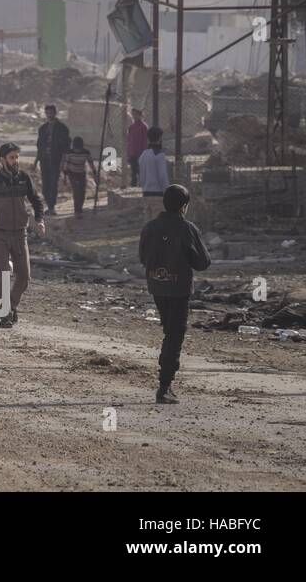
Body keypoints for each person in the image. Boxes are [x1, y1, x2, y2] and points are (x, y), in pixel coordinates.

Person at [139, 183, 211, 404]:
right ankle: (165, 385)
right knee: (174, 334)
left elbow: (142, 257)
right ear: (184, 207)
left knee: (170, 330)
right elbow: (203, 262)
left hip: (157, 287)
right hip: (179, 289)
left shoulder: (150, 227)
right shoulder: (187, 228)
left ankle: (165, 380)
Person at [0, 143, 46, 328]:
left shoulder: (24, 178)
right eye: (12, 157)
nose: (15, 161)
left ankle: (10, 306)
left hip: (20, 234)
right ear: (2, 160)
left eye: (17, 157)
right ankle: (5, 314)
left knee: (24, 276)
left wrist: (40, 220)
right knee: (3, 273)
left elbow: (36, 200)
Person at [35, 104, 71, 215]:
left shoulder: (62, 128)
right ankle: (49, 205)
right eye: (47, 113)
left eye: (51, 113)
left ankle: (51, 207)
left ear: (55, 113)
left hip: (56, 160)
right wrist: (35, 162)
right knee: (45, 185)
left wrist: (64, 162)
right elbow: (39, 147)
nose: (49, 115)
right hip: (44, 160)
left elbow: (66, 147)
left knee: (53, 183)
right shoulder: (42, 129)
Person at [61, 135, 98, 217]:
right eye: (76, 149)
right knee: (76, 191)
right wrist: (65, 178)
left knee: (82, 191)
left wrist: (95, 173)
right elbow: (66, 166)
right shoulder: (69, 152)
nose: (77, 150)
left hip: (81, 173)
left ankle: (80, 208)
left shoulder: (86, 152)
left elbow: (91, 163)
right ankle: (77, 210)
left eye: (79, 149)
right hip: (72, 173)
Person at [138, 126, 170, 216]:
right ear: (160, 138)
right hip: (158, 194)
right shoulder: (159, 155)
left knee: (148, 224)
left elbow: (142, 178)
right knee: (159, 224)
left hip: (146, 193)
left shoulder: (143, 155)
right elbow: (162, 177)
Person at [127, 107, 149, 187]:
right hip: (133, 153)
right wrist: (128, 153)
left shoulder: (143, 127)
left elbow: (145, 141)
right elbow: (129, 141)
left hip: (141, 153)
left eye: (136, 114)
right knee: (133, 172)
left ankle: (143, 186)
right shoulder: (131, 127)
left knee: (141, 171)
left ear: (140, 115)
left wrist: (144, 153)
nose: (134, 116)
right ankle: (133, 186)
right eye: (133, 114)